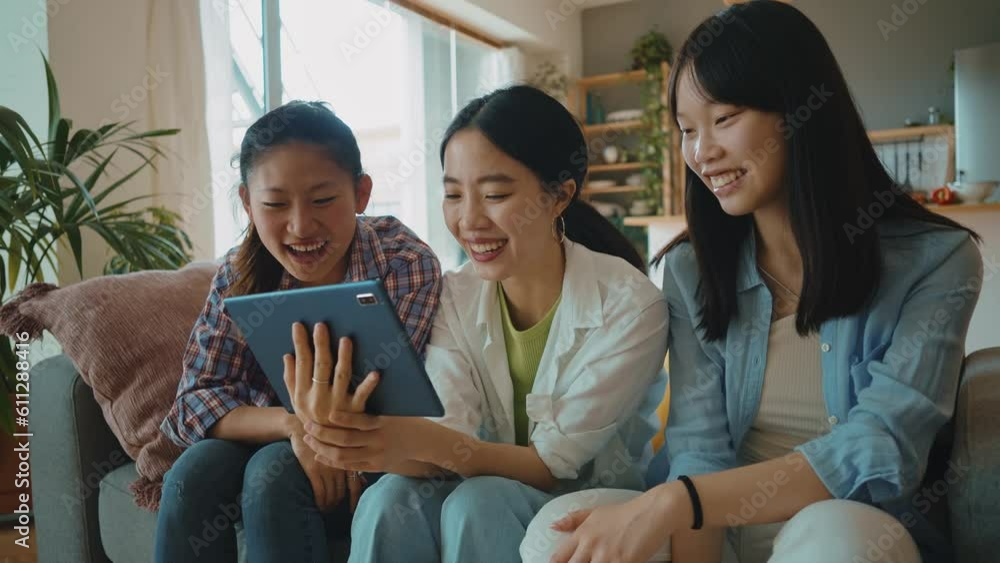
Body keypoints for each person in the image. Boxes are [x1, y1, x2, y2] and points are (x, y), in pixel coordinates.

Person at [529, 2, 983, 563]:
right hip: (718, 527)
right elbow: (698, 446)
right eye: (687, 130)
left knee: (834, 539)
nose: (702, 152)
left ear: (800, 111)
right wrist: (683, 508)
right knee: (558, 528)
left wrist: (677, 502)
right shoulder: (694, 270)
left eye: (724, 119)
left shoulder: (937, 261)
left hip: (852, 528)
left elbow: (882, 448)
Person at [287, 85, 669, 563]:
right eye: (452, 195)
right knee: (389, 497)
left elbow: (553, 465)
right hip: (479, 485)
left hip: (589, 502)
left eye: (495, 194)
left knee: (479, 501)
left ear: (559, 196)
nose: (469, 220)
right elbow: (447, 431)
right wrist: (350, 439)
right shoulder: (458, 294)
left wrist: (423, 441)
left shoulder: (631, 305)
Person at [156, 101, 442, 563]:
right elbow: (195, 400)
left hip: (377, 448)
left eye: (323, 200)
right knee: (193, 471)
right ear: (249, 204)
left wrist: (311, 437)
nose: (300, 226)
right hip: (279, 435)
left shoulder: (403, 263)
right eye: (274, 204)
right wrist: (294, 426)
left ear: (362, 193)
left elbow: (394, 400)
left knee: (273, 472)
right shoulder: (238, 273)